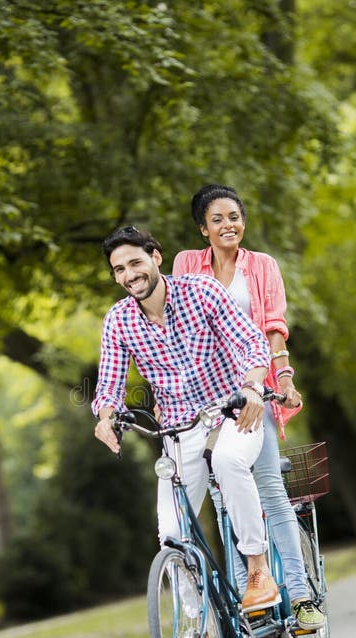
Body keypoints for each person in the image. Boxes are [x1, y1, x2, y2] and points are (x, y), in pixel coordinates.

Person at [92, 225, 281, 614]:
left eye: (135, 262)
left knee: (228, 462)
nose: (129, 275)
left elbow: (251, 342)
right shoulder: (118, 321)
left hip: (233, 412)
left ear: (156, 257)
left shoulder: (202, 291)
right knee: (172, 536)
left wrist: (252, 387)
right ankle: (201, 629)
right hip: (179, 430)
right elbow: (108, 383)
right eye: (119, 269)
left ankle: (258, 569)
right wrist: (106, 417)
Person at [172, 184, 324, 630]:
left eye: (234, 216)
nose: (228, 225)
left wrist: (286, 379)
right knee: (222, 501)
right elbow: (179, 325)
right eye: (217, 219)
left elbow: (274, 327)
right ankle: (249, 599)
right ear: (203, 228)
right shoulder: (185, 265)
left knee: (272, 495)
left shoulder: (262, 266)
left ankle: (300, 597)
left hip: (255, 389)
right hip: (206, 397)